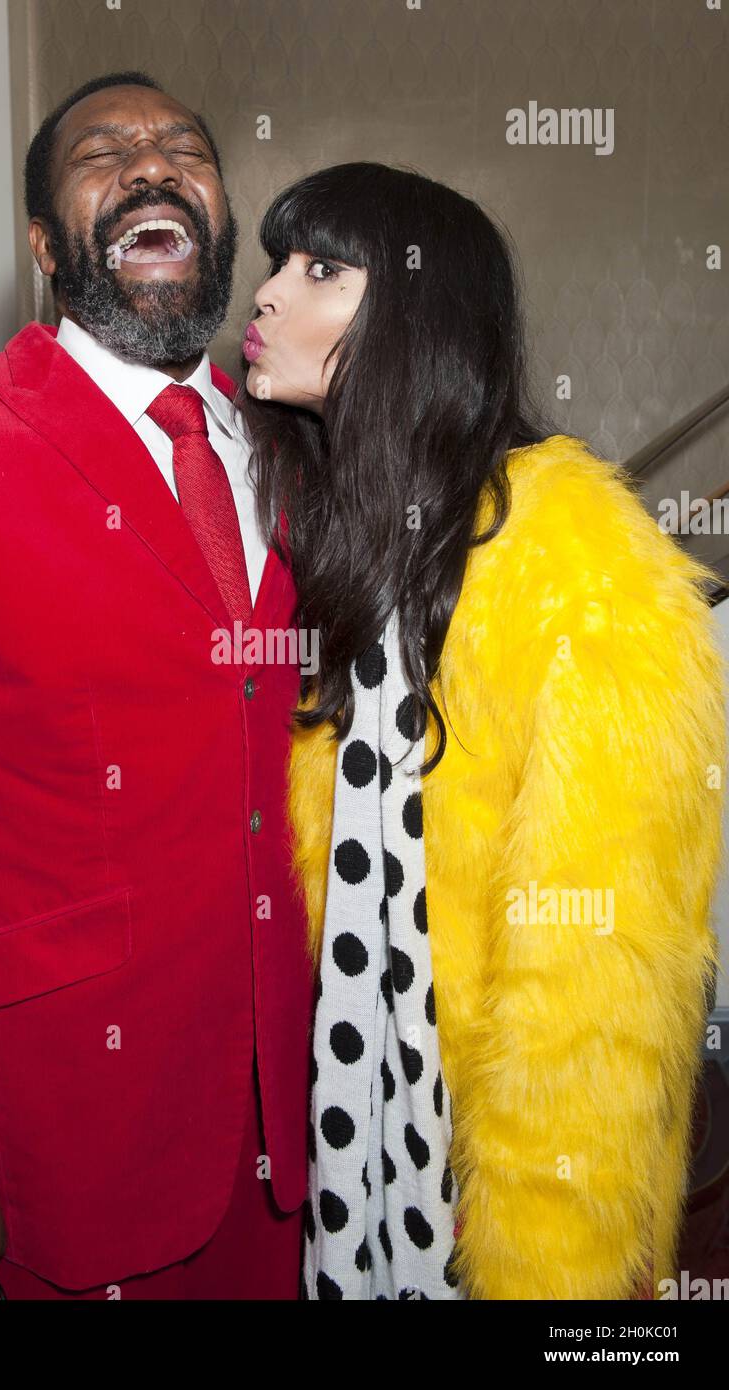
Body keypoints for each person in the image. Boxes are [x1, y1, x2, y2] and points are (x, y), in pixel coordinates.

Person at [0, 71, 314, 1301]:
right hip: (69, 1155)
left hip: (308, 1143)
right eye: (102, 154)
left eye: (183, 148)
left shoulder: (306, 450)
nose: (150, 164)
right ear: (42, 245)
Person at [233, 162, 727, 1299]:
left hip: (499, 1179)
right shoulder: (352, 538)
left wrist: (547, 1244)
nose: (267, 293)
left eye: (320, 269)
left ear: (419, 317)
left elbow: (601, 975)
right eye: (275, 263)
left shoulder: (579, 561)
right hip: (364, 1132)